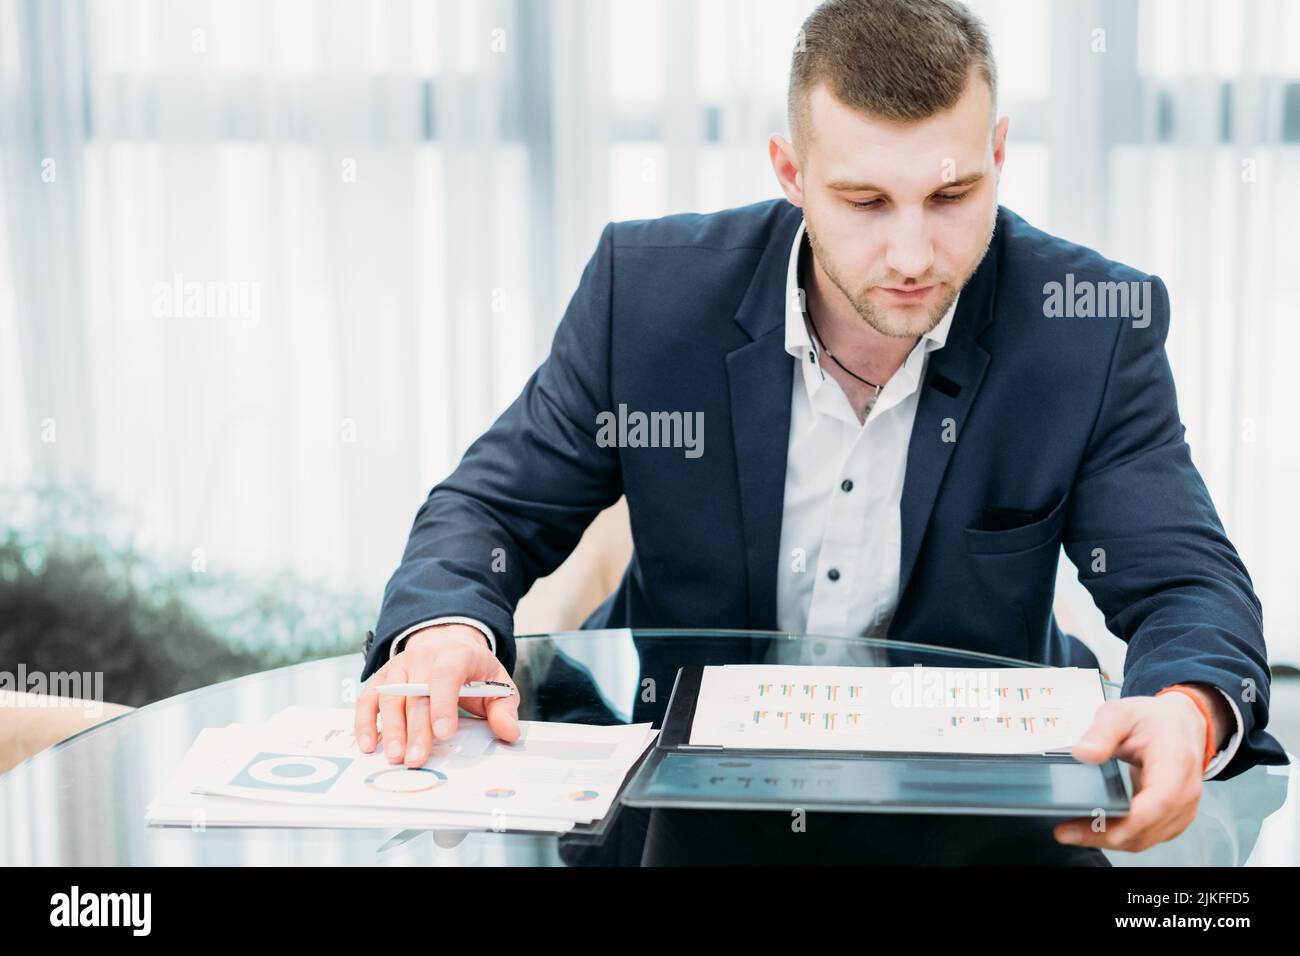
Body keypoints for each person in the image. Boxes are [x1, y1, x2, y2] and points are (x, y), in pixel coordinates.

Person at [354, 0, 1288, 854]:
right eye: (866, 202)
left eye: (953, 195)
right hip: (680, 799)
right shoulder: (646, 294)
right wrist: (444, 632)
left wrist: (1188, 706)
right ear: (791, 173)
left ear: (1000, 153)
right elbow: (491, 509)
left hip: (979, 815)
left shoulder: (1090, 326)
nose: (915, 255)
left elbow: (1184, 580)